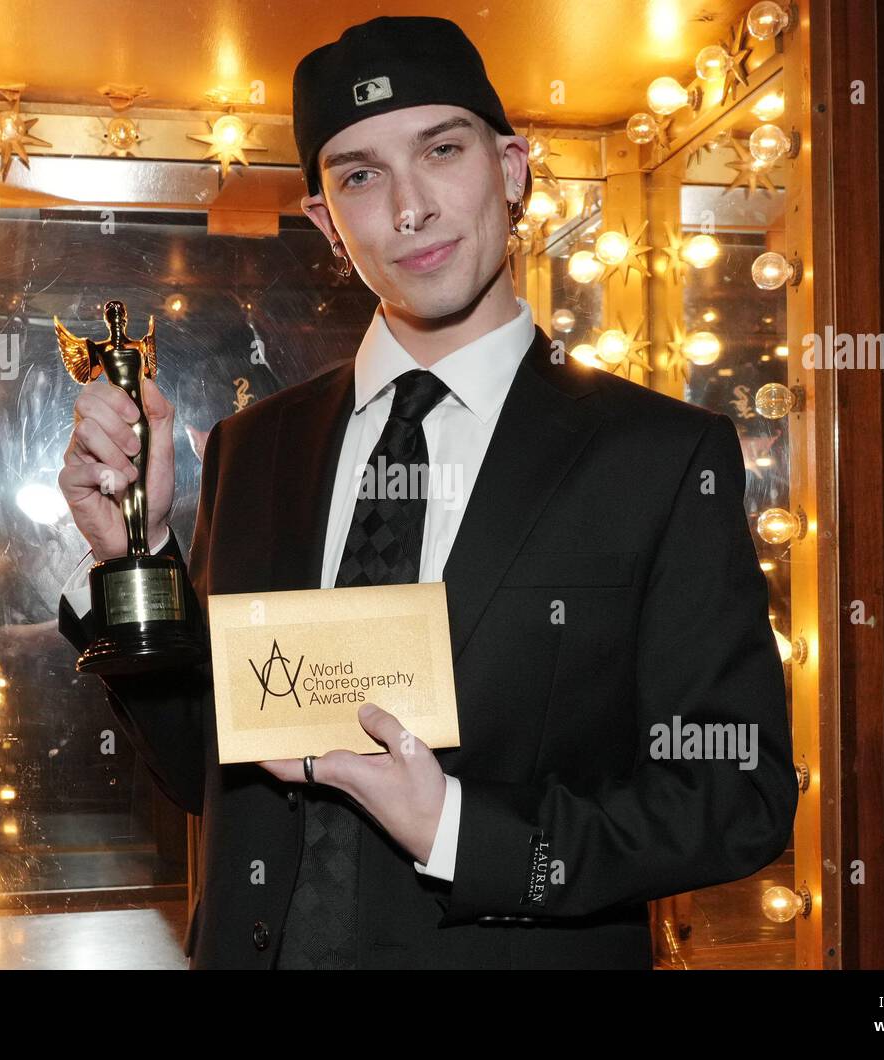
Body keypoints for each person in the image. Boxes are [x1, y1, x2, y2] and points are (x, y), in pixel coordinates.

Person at [57, 15, 798, 970]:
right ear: (326, 222)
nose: (408, 208)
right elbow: (211, 770)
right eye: (360, 175)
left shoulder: (657, 453)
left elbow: (732, 800)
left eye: (441, 150)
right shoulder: (255, 446)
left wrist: (454, 827)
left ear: (513, 168)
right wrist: (134, 561)